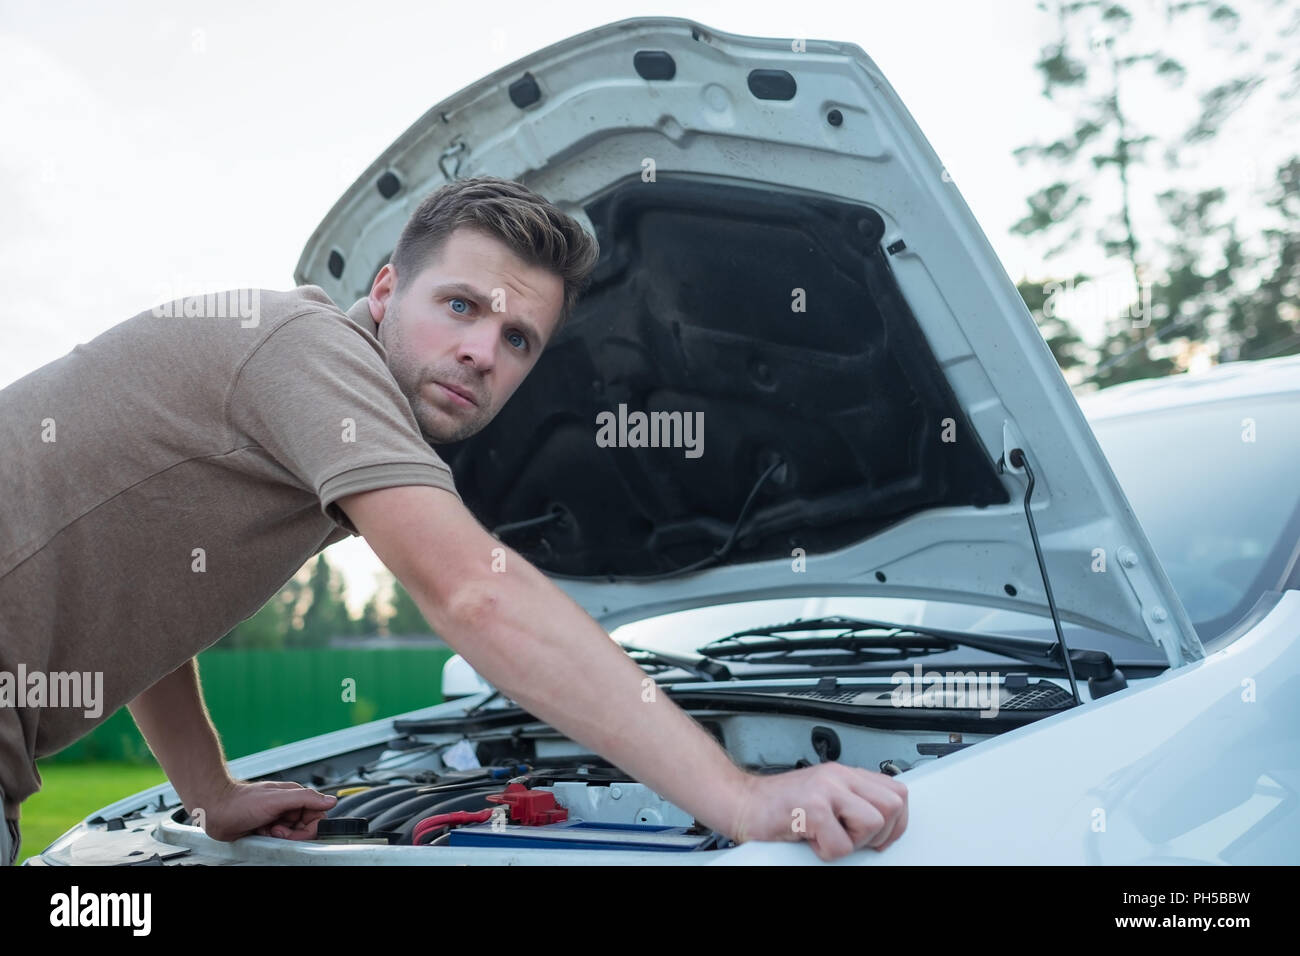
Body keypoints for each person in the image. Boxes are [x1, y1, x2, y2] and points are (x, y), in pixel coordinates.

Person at [0, 176, 906, 863]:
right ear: (388, 292)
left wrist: (207, 792)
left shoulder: (300, 409)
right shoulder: (308, 352)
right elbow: (476, 595)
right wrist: (740, 801)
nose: (481, 351)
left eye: (518, 341)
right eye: (461, 306)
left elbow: (161, 593)